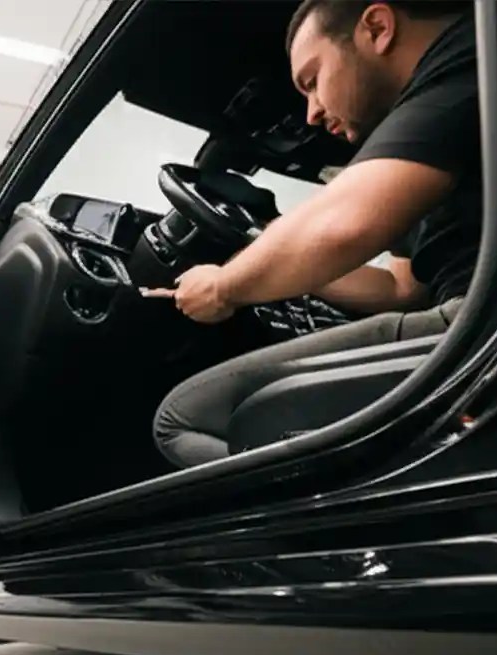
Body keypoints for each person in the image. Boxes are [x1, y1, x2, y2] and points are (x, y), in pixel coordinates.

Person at [146, 0, 479, 467]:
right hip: (471, 316)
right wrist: (263, 243)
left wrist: (226, 286)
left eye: (312, 81)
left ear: (378, 28)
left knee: (186, 418)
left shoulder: (466, 60)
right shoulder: (428, 149)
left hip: (478, 321)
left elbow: (344, 225)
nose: (311, 113)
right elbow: (400, 287)